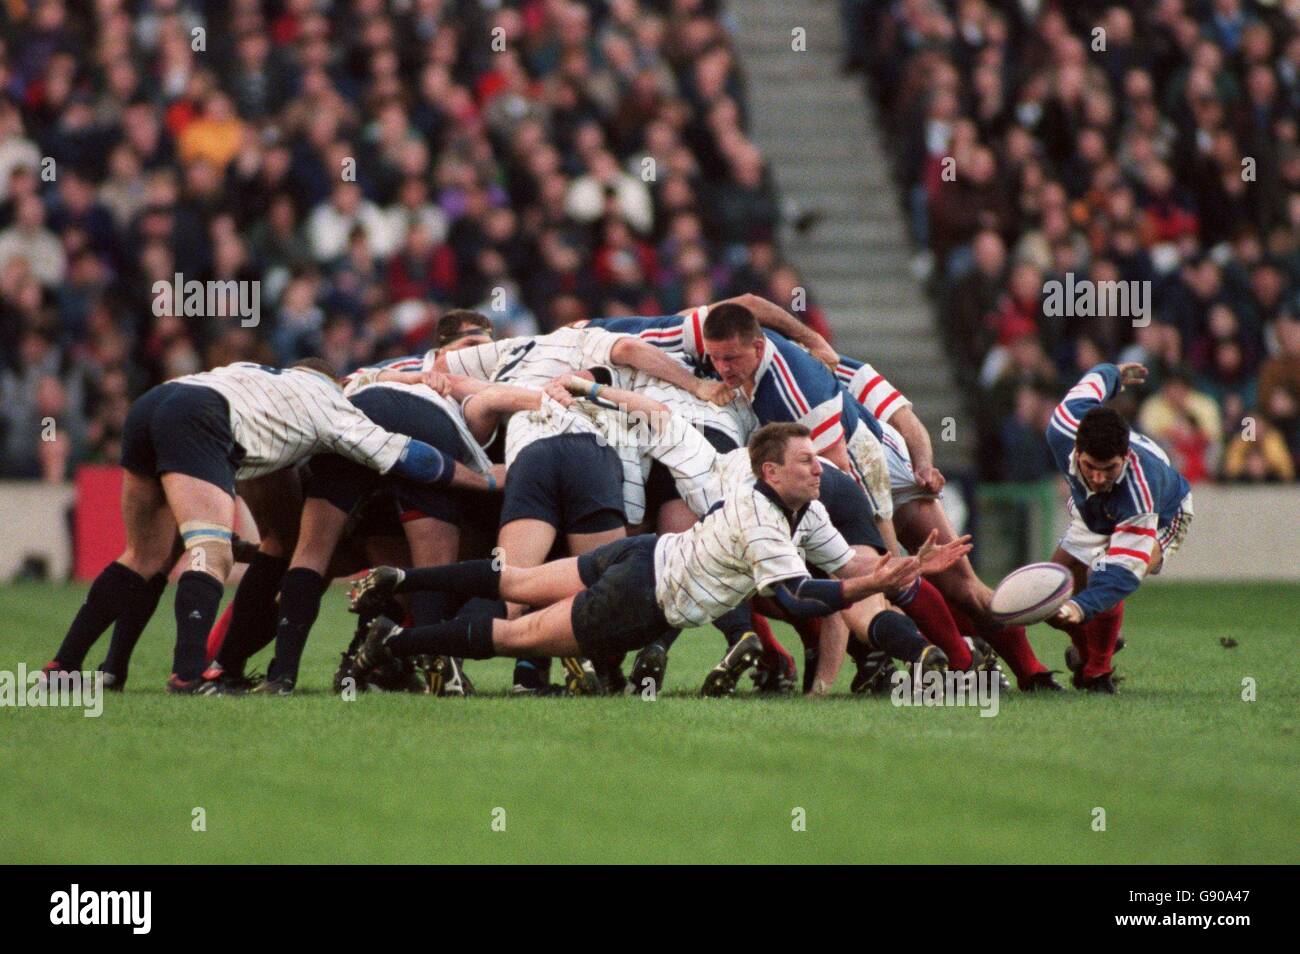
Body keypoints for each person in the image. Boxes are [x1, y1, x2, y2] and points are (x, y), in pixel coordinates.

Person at [346, 422, 972, 690]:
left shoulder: (799, 510)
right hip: (644, 597)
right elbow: (796, 597)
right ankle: (392, 643)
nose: (822, 468)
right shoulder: (764, 520)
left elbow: (850, 571)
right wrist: (871, 586)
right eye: (809, 461)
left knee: (520, 578)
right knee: (517, 634)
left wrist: (906, 570)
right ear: (772, 471)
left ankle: (403, 579)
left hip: (647, 552)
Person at [40, 358, 472, 693]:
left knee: (145, 554)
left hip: (157, 400)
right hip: (201, 415)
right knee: (211, 552)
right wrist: (480, 477)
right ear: (336, 384)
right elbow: (401, 453)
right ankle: (189, 678)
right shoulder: (332, 403)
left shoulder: (265, 378)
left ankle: (72, 666)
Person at [1044, 363, 1195, 692]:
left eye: (1109, 469)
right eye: (1089, 468)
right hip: (1096, 511)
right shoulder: (1063, 425)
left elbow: (1123, 570)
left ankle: (1098, 673)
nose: (1098, 478)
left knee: (1104, 575)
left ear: (1125, 457)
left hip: (1165, 512)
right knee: (1050, 593)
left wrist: (1081, 607)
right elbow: (1091, 384)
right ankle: (1089, 655)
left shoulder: (1141, 491)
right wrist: (1115, 373)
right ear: (1077, 451)